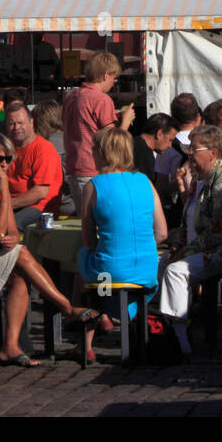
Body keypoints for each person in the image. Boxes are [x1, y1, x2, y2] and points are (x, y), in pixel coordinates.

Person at [0, 131, 101, 367]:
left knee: (20, 275)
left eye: (8, 159)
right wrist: (4, 193)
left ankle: (10, 347)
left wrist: (12, 235)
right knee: (20, 253)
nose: (4, 164)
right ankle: (66, 308)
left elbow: (10, 229)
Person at [157, 124, 222, 356]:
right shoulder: (199, 181)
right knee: (161, 263)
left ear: (213, 152)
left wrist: (186, 252)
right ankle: (162, 324)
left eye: (194, 149)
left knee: (176, 271)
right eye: (188, 149)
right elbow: (187, 224)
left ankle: (179, 339)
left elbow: (220, 230)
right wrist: (177, 246)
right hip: (201, 248)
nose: (189, 154)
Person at [76, 126, 168, 363]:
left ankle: (90, 330)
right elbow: (162, 233)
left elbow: (89, 240)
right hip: (147, 270)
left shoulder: (93, 186)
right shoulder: (146, 182)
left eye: (94, 148)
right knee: (105, 273)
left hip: (110, 273)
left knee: (83, 259)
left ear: (103, 152)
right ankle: (107, 312)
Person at [62, 52, 134, 213]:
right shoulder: (102, 99)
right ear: (106, 75)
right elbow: (113, 144)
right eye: (114, 78)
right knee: (101, 220)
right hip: (93, 168)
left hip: (73, 166)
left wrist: (112, 115)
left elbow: (85, 123)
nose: (113, 83)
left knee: (85, 220)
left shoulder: (71, 97)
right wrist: (126, 121)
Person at [4, 100, 63, 229]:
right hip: (13, 203)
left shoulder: (43, 148)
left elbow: (40, 192)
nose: (16, 128)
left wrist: (5, 205)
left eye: (21, 123)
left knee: (9, 224)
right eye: (12, 124)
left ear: (31, 123)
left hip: (39, 206)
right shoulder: (5, 147)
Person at [132, 113, 177, 187]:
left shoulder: (132, 143)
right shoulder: (144, 154)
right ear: (159, 134)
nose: (170, 146)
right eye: (170, 140)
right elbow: (144, 188)